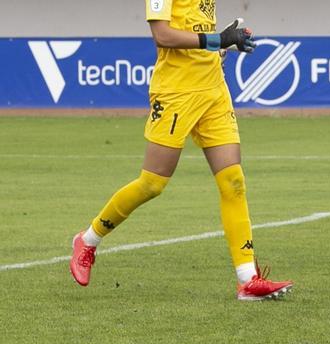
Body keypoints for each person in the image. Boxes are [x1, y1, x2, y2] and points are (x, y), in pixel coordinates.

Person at [68, 1, 292, 301]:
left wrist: (223, 45)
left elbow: (197, 31)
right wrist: (217, 40)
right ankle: (88, 240)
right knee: (152, 184)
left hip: (213, 90)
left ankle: (247, 280)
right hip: (176, 94)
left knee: (234, 182)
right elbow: (163, 36)